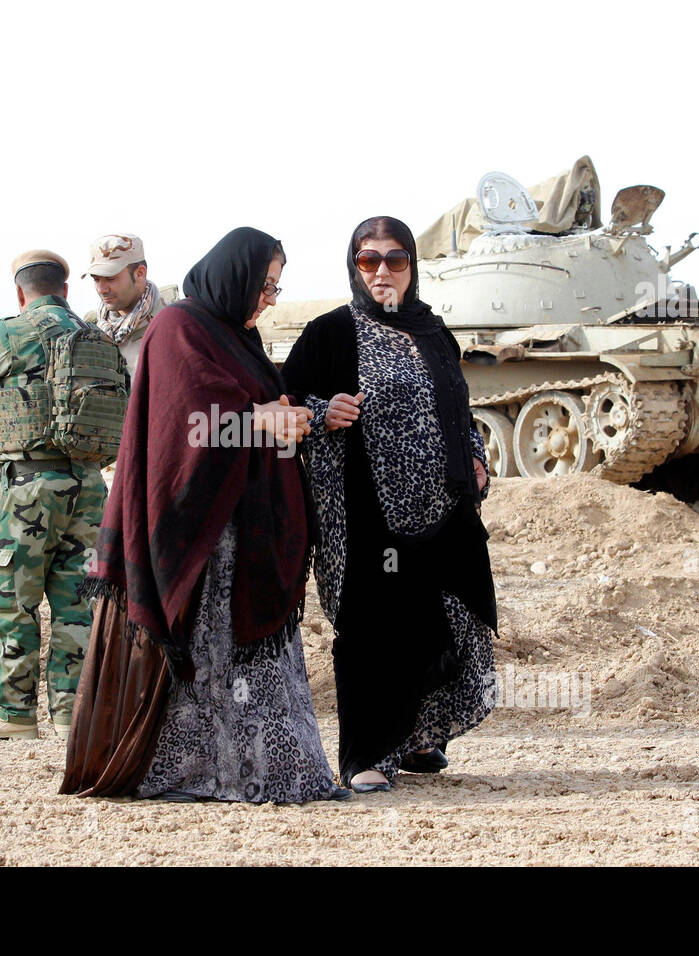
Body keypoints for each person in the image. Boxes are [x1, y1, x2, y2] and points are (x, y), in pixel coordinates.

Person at [61, 227, 350, 803]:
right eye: (264, 285)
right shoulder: (179, 329)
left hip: (249, 532)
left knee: (250, 666)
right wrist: (261, 422)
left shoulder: (238, 338)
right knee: (208, 665)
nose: (269, 298)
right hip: (202, 537)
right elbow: (188, 426)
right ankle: (208, 774)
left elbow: (262, 407)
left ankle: (271, 772)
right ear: (235, 275)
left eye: (275, 287)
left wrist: (299, 417)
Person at [280, 216, 497, 793]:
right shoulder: (330, 333)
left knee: (443, 617)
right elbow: (284, 403)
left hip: (445, 506)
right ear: (353, 266)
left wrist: (476, 457)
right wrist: (323, 412)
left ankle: (420, 738)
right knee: (375, 628)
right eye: (367, 260)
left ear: (412, 266)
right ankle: (368, 756)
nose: (381, 271)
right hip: (364, 513)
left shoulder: (434, 331)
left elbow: (460, 406)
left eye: (394, 259)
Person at [0, 250, 117, 740]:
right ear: (66, 290)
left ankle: (14, 714)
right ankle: (71, 715)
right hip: (88, 487)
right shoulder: (96, 339)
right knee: (77, 602)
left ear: (21, 293)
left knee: (12, 596)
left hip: (28, 485)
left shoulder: (7, 334)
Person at [82, 233, 164, 380]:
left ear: (139, 274)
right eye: (96, 279)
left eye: (111, 278)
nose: (102, 289)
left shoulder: (170, 326)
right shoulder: (91, 328)